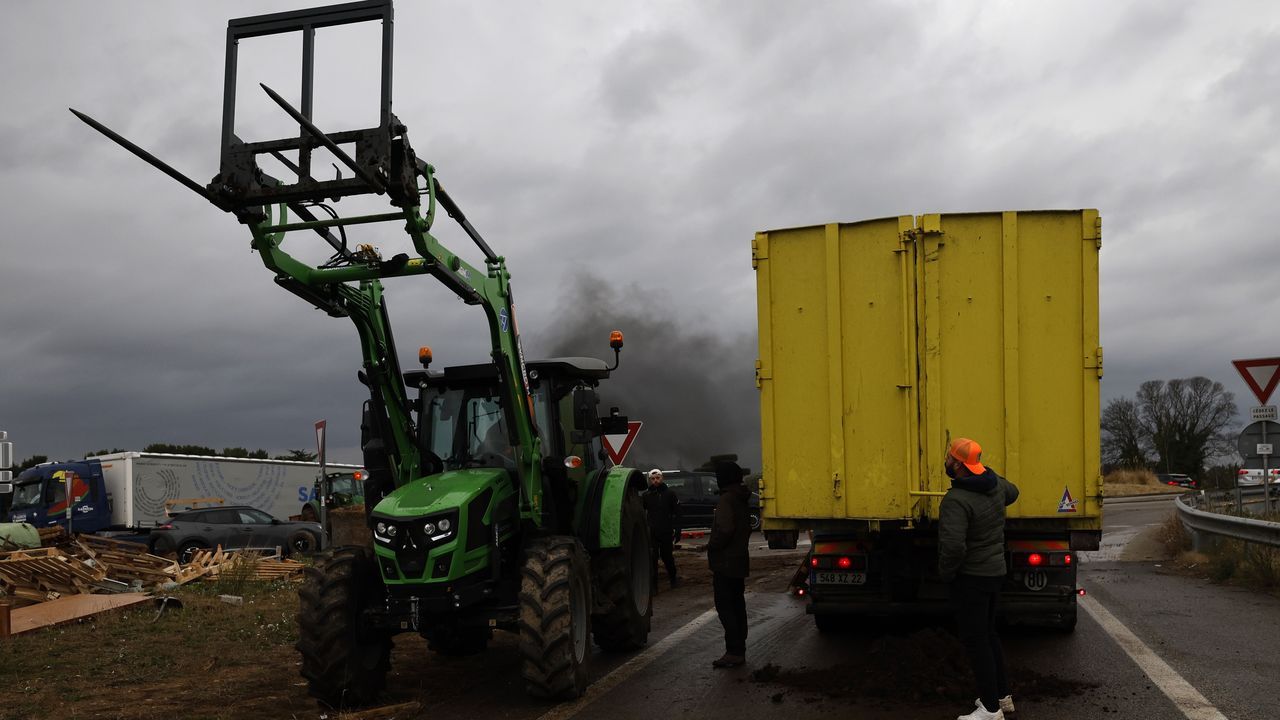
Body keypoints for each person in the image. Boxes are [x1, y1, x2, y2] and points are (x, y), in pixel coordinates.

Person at [938, 437, 1020, 720]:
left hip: (971, 578)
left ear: (959, 464)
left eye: (950, 458)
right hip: (994, 573)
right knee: (989, 634)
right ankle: (1002, 696)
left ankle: (989, 709)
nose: (946, 461)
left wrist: (946, 574)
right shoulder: (995, 486)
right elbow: (1014, 491)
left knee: (976, 641)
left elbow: (953, 547)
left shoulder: (956, 500)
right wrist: (988, 474)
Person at [707, 460, 751, 668]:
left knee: (725, 606)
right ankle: (739, 648)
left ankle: (734, 651)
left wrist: (712, 545)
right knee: (737, 604)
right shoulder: (741, 497)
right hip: (739, 560)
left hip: (724, 562)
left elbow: (724, 529)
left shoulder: (726, 499)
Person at [642, 469, 680, 589]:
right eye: (653, 479)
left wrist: (678, 529)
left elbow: (677, 513)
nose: (656, 481)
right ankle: (654, 586)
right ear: (650, 480)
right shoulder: (646, 495)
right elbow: (641, 512)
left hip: (666, 531)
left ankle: (673, 579)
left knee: (667, 556)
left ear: (662, 478)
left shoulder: (670, 494)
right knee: (653, 558)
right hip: (652, 531)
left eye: (658, 478)